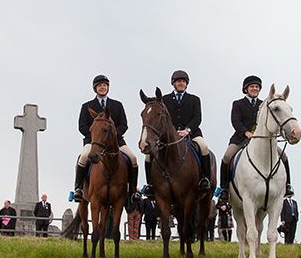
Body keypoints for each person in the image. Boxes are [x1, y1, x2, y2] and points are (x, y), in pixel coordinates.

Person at [218, 75, 294, 202]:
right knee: (227, 157)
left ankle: (288, 186)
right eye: (252, 86)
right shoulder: (238, 104)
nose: (255, 89)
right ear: (246, 89)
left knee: (283, 156)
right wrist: (246, 132)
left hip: (261, 139)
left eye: (257, 87)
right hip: (241, 138)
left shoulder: (263, 104)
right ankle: (224, 189)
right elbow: (235, 121)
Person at [75, 75, 140, 208]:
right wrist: (96, 137)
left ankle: (133, 191)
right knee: (83, 157)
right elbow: (82, 126)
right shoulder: (87, 106)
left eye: (105, 85)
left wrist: (114, 136)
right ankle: (78, 188)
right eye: (100, 85)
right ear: (95, 88)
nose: (102, 87)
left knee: (133, 158)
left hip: (116, 142)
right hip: (93, 142)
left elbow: (124, 124)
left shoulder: (117, 105)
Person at [150, 70, 212, 194]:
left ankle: (205, 179)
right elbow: (163, 119)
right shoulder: (165, 100)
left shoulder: (194, 99)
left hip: (191, 133)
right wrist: (172, 132)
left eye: (183, 81)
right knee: (149, 154)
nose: (181, 83)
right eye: (178, 81)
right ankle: (150, 184)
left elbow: (197, 118)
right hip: (170, 135)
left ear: (186, 84)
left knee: (204, 147)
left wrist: (187, 130)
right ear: (173, 83)